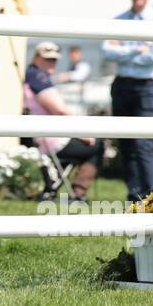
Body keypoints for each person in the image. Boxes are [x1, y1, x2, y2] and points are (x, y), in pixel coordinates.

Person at [102, 0, 153, 202]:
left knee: (143, 143)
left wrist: (123, 52)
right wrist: (135, 50)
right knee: (126, 142)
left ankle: (151, 196)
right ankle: (134, 194)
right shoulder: (119, 20)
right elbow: (106, 51)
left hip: (147, 86)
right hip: (122, 85)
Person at [24, 42, 104, 202]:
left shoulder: (35, 75)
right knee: (97, 145)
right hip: (50, 140)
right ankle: (78, 193)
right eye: (48, 59)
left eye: (54, 59)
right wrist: (81, 133)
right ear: (37, 58)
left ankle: (55, 187)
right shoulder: (38, 77)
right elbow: (59, 110)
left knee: (92, 144)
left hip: (45, 137)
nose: (52, 62)